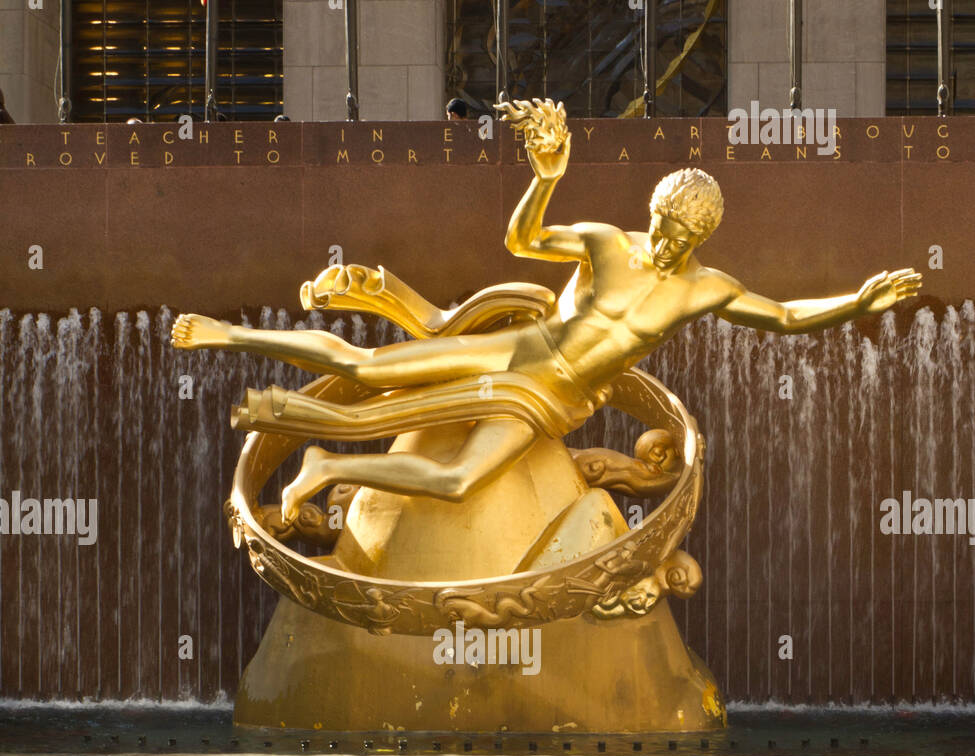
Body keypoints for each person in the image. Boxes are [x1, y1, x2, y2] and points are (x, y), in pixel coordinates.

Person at [172, 97, 921, 519]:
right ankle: (227, 335)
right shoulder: (605, 241)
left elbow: (785, 317)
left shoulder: (705, 288)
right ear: (652, 211)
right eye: (664, 224)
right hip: (523, 353)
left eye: (685, 235)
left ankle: (330, 464)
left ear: (705, 237)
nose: (667, 241)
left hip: (554, 404)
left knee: (459, 481)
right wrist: (546, 176)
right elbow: (523, 238)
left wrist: (856, 301)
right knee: (369, 369)